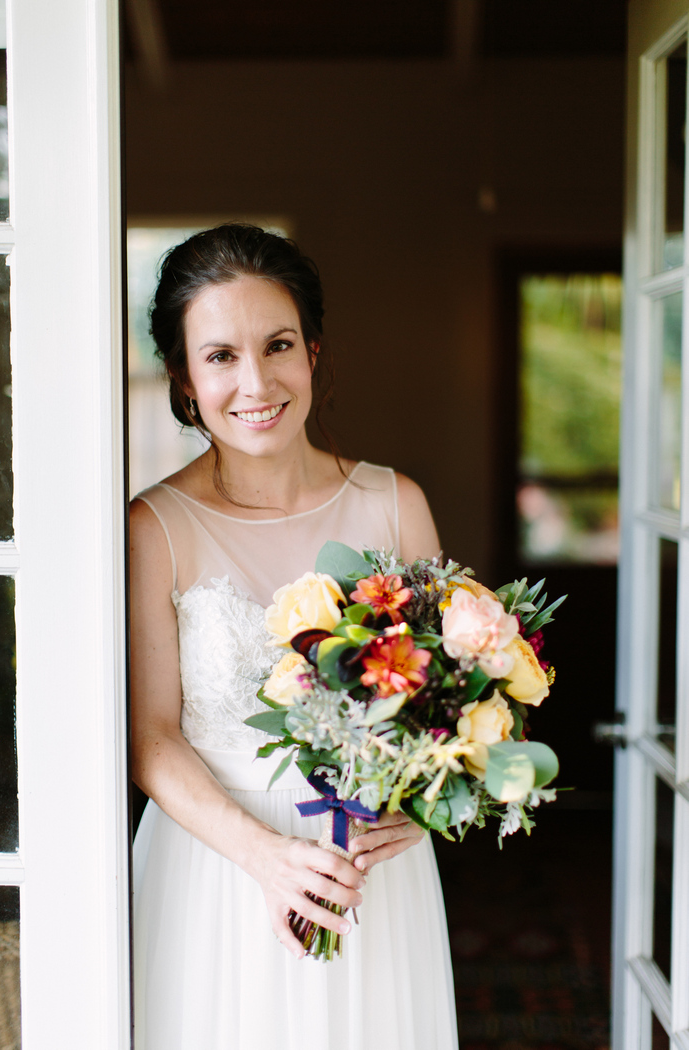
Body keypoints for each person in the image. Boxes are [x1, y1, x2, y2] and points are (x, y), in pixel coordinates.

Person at [130, 223, 458, 1050]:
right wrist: (268, 858)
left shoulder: (396, 505)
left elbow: (449, 702)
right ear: (184, 377)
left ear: (313, 351)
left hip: (372, 876)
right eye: (220, 356)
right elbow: (151, 737)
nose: (256, 382)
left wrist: (424, 802)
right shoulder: (154, 528)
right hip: (217, 873)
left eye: (277, 345)